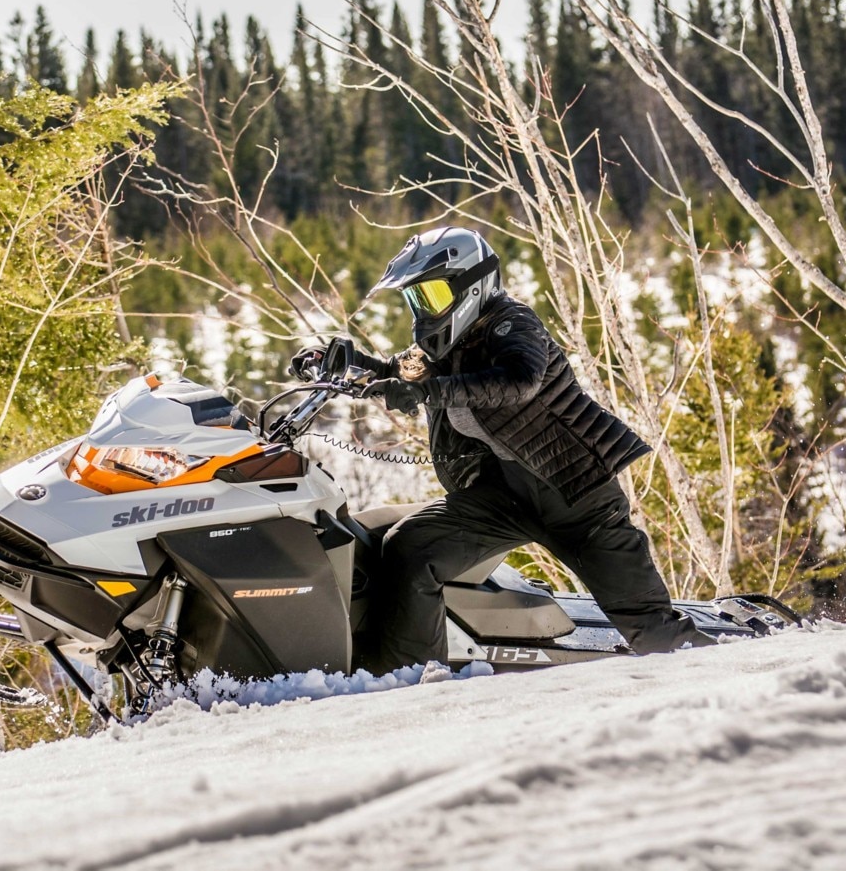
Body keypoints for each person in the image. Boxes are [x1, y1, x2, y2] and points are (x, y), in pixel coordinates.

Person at [293, 226, 713, 673]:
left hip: (576, 498)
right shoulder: (451, 343)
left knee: (653, 631)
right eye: (416, 299)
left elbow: (519, 381)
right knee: (410, 551)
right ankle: (406, 679)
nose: (424, 309)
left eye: (432, 295)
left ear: (470, 286)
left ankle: (752, 670)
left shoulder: (513, 324)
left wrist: (428, 393)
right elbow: (402, 372)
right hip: (506, 496)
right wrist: (345, 362)